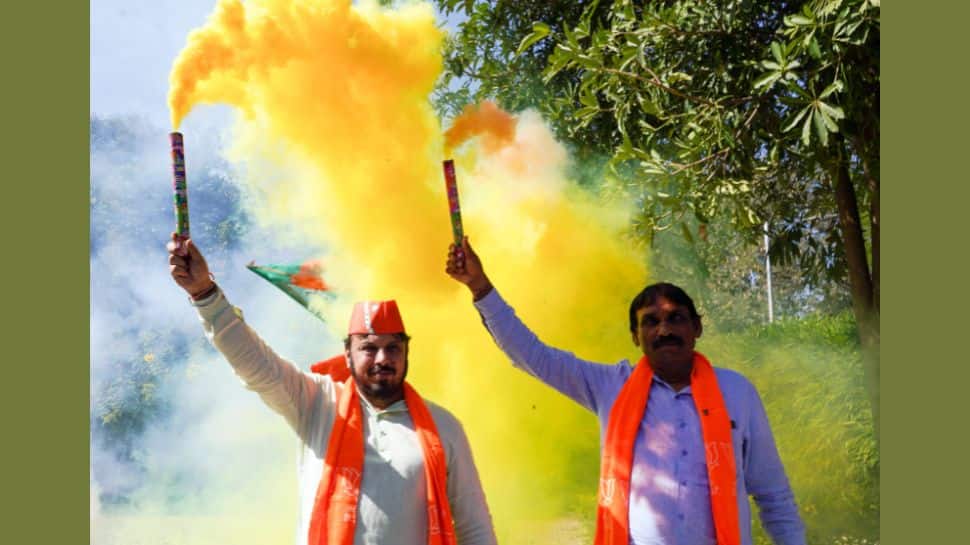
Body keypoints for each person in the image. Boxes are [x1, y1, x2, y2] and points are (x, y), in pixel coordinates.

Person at [445, 237, 805, 545]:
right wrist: (480, 287)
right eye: (651, 321)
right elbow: (532, 355)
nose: (664, 330)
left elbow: (773, 496)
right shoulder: (610, 386)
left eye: (676, 318)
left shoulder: (736, 392)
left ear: (696, 327)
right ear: (635, 337)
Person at [168, 234, 497, 545]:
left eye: (393, 348)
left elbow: (474, 528)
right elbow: (255, 364)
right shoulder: (316, 404)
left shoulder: (444, 427)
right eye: (368, 348)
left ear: (406, 353)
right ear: (348, 354)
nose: (382, 358)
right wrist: (204, 294)